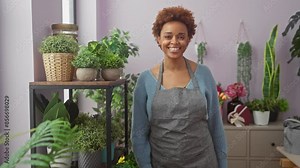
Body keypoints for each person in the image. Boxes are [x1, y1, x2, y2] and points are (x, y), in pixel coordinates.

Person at [131, 6, 227, 168]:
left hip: (204, 162)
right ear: (158, 39)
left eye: (181, 36)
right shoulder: (145, 81)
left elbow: (216, 126)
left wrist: (223, 164)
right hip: (161, 163)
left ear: (189, 39)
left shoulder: (204, 74)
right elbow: (139, 134)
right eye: (168, 36)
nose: (174, 42)